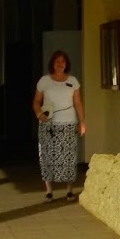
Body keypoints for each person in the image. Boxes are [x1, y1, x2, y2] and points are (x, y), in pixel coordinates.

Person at [33, 50, 86, 203]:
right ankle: (49, 190)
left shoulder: (73, 81)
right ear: (53, 64)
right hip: (48, 124)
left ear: (66, 64)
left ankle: (69, 190)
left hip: (68, 124)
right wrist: (38, 114)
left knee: (68, 158)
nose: (60, 64)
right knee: (47, 156)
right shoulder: (44, 81)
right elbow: (36, 101)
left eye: (63, 61)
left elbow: (78, 102)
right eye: (57, 61)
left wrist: (82, 122)